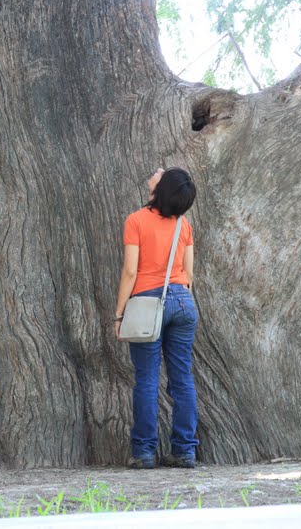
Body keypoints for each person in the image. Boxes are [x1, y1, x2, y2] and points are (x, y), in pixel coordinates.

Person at [114, 167, 198, 469]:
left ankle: (144, 452)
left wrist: (119, 314)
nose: (157, 171)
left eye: (163, 173)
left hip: (147, 303)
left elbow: (130, 272)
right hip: (184, 303)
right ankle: (185, 450)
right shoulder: (184, 226)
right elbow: (188, 274)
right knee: (182, 378)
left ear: (161, 188)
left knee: (147, 379)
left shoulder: (136, 221)